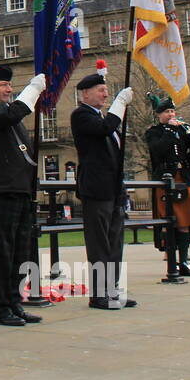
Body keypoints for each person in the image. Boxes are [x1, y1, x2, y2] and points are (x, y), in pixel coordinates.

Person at [0, 63, 46, 327]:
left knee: (20, 250)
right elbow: (10, 116)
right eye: (4, 85)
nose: (9, 89)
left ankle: (14, 302)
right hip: (3, 188)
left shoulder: (5, 111)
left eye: (10, 85)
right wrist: (33, 90)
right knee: (3, 251)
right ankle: (0, 307)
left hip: (21, 188)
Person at [70, 68, 135, 309]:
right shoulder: (81, 115)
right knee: (99, 245)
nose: (105, 95)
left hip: (114, 189)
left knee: (115, 243)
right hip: (96, 190)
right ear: (85, 94)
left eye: (107, 91)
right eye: (101, 90)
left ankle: (113, 290)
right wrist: (120, 103)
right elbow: (105, 129)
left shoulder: (101, 117)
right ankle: (99, 295)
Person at [143, 95, 190, 276]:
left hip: (182, 178)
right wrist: (168, 130)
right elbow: (157, 149)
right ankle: (171, 262)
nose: (171, 114)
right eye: (167, 111)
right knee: (168, 222)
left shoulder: (182, 131)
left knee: (185, 222)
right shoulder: (154, 132)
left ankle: (184, 261)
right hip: (165, 180)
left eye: (172, 111)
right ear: (159, 114)